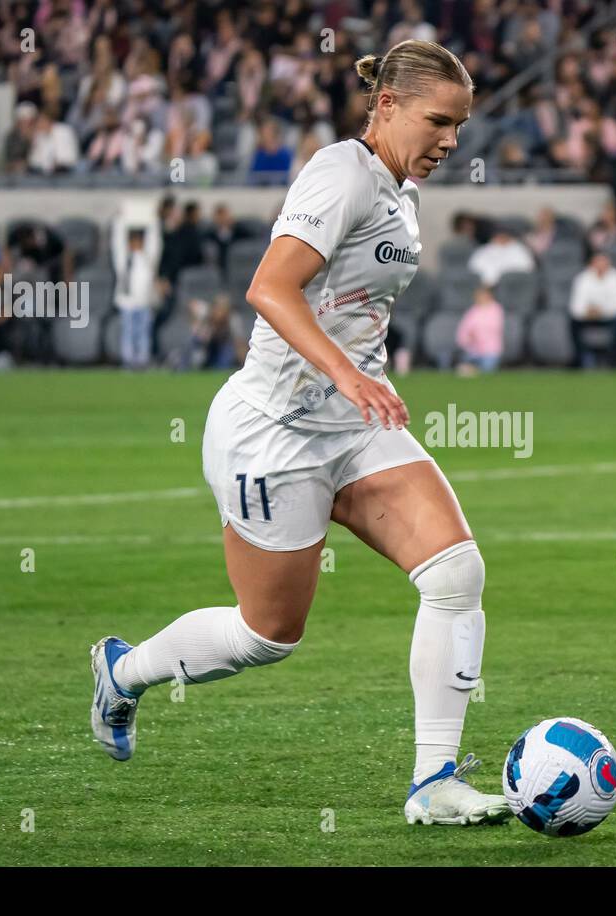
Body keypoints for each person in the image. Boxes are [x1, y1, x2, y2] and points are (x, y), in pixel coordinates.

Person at [87, 40, 512, 827]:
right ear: (386, 106)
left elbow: (353, 307)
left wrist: (360, 375)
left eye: (460, 125)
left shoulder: (400, 192)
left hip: (353, 424)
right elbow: (269, 288)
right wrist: (347, 374)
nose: (452, 140)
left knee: (457, 574)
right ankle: (126, 670)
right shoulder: (340, 172)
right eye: (439, 122)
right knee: (267, 635)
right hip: (273, 432)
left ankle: (434, 782)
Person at [567, 251, 616, 369]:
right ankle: (579, 360)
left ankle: (615, 362)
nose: (600, 265)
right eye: (597, 261)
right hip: (587, 317)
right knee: (572, 322)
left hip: (611, 318)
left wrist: (602, 311)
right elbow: (575, 307)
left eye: (603, 261)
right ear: (592, 263)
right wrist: (588, 312)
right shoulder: (581, 278)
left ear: (609, 262)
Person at [114, 226, 158, 370]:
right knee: (128, 332)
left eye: (139, 242)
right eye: (134, 242)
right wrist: (119, 223)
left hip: (144, 302)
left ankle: (142, 360)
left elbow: (155, 244)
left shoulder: (147, 259)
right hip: (127, 303)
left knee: (143, 332)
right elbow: (117, 245)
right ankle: (128, 360)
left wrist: (153, 222)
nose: (137, 245)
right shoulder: (124, 259)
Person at [455, 284, 504, 375]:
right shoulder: (472, 311)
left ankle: (473, 370)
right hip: (474, 350)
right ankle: (471, 368)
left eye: (483, 295)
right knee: (465, 360)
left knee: (488, 367)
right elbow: (463, 331)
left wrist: (477, 334)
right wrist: (468, 339)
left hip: (490, 350)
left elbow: (494, 328)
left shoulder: (496, 310)